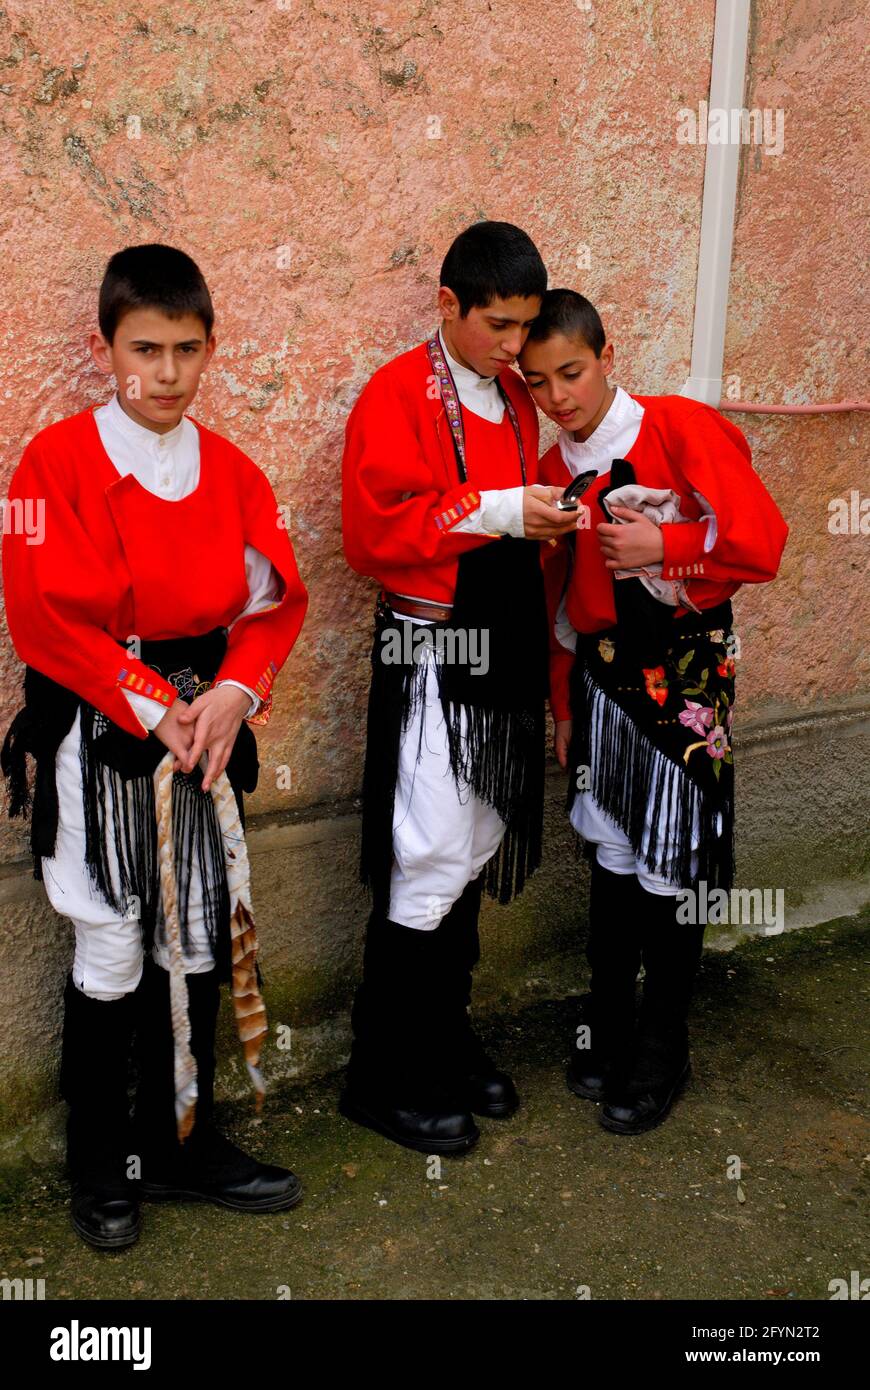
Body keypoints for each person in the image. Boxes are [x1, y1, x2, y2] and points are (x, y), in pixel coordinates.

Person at [1, 244, 309, 1248]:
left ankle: (184, 1142)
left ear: (210, 346)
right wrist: (148, 701)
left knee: (198, 932)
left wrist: (230, 692)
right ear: (105, 348)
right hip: (103, 731)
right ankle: (106, 1169)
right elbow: (42, 617)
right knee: (113, 939)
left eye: (187, 348)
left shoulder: (233, 470)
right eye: (145, 349)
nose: (166, 372)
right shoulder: (50, 464)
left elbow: (272, 606)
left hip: (203, 732)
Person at [519, 288, 788, 1134]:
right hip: (601, 684)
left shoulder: (679, 427)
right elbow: (559, 599)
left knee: (670, 864)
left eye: (571, 372)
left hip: (684, 679)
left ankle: (664, 1043)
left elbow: (764, 540)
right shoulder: (555, 471)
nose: (560, 396)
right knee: (610, 856)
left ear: (607, 356)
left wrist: (663, 544)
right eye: (538, 383)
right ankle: (608, 1022)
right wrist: (563, 702)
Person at [340, 223, 579, 1154]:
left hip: (506, 646)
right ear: (448, 305)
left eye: (525, 327)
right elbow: (373, 531)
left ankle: (444, 1035)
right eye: (498, 324)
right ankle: (379, 1073)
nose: (516, 346)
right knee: (427, 849)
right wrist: (500, 511)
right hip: (433, 648)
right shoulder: (398, 393)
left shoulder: (518, 400)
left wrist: (549, 520)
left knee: (475, 838)